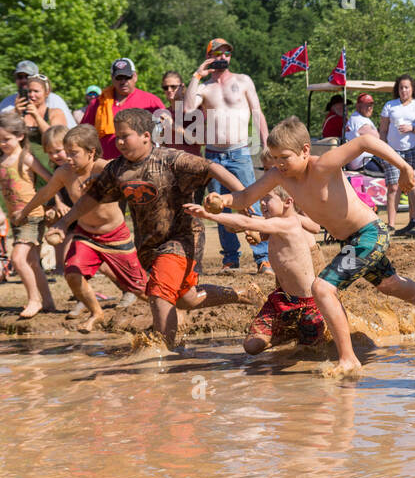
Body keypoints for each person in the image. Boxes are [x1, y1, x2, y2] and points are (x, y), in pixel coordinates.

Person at [213, 117, 415, 375]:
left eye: (284, 157)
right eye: (275, 158)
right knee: (389, 284)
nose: (279, 164)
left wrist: (403, 166)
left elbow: (365, 141)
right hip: (351, 241)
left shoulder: (324, 165)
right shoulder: (278, 176)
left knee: (322, 287)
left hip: (370, 233)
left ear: (305, 150)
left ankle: (348, 359)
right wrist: (223, 199)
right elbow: (245, 197)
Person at [46, 109, 257, 348]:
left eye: (126, 136)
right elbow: (92, 197)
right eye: (118, 137)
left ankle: (162, 354)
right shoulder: (117, 169)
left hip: (182, 238)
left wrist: (242, 199)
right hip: (149, 246)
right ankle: (242, 294)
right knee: (185, 299)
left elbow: (211, 168)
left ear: (146, 135)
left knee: (159, 293)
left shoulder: (170, 159)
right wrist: (64, 222)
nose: (120, 142)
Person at [13, 124, 145, 332]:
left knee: (141, 289)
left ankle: (171, 308)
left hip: (115, 235)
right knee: (72, 273)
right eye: (67, 153)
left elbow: (130, 172)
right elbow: (45, 193)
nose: (68, 159)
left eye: (73, 154)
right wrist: (24, 212)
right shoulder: (64, 172)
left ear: (91, 152)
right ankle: (96, 312)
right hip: (86, 235)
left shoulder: (104, 168)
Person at [186, 187, 326, 356]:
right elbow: (247, 226)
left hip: (307, 305)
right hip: (281, 299)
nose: (262, 203)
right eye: (261, 199)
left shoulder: (288, 223)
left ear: (288, 202)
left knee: (311, 353)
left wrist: (209, 215)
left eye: (268, 199)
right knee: (251, 346)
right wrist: (255, 234)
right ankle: (288, 333)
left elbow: (247, 223)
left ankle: (301, 331)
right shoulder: (275, 222)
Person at [183, 38, 270, 273]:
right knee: (218, 207)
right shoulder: (204, 87)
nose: (223, 58)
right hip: (213, 155)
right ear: (209, 56)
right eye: (217, 54)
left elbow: (257, 111)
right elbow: (188, 109)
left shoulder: (243, 81)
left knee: (251, 202)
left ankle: (263, 257)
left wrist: (266, 143)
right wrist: (197, 75)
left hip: (241, 151)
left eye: (226, 54)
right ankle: (230, 258)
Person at [0, 111, 57, 317]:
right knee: (32, 261)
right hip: (16, 218)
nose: (2, 144)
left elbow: (52, 180)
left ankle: (34, 300)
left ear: (20, 136)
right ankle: (48, 302)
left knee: (17, 258)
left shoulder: (26, 158)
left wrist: (55, 203)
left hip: (32, 215)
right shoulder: (1, 161)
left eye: (6, 139)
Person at [378, 74, 415, 233]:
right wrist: (383, 149)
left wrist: (412, 128)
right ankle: (391, 224)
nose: (404, 90)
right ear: (397, 89)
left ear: (412, 89)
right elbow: (383, 130)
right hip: (393, 151)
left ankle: (414, 222)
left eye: (407, 87)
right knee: (394, 186)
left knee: (413, 185)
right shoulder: (390, 105)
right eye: (401, 87)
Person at [83, 58, 165, 160]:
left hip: (141, 165)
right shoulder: (98, 102)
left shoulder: (151, 102)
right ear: (112, 78)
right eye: (119, 77)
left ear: (135, 77)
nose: (123, 81)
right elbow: (84, 133)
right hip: (105, 165)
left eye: (127, 77)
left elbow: (164, 134)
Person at [0, 60, 75, 122]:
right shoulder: (7, 102)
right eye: (20, 77)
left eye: (27, 76)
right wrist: (15, 112)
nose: (23, 80)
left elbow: (68, 130)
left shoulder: (54, 100)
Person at [157, 71, 203, 158]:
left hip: (192, 164)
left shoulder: (193, 110)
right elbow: (162, 145)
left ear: (182, 87)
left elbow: (202, 140)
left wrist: (173, 126)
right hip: (171, 166)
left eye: (173, 87)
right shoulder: (165, 113)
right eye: (165, 87)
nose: (169, 90)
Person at [342, 94, 382, 174]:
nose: (370, 108)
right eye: (366, 105)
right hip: (365, 162)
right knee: (396, 169)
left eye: (371, 105)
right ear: (358, 106)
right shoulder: (359, 121)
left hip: (358, 162)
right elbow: (380, 140)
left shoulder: (355, 118)